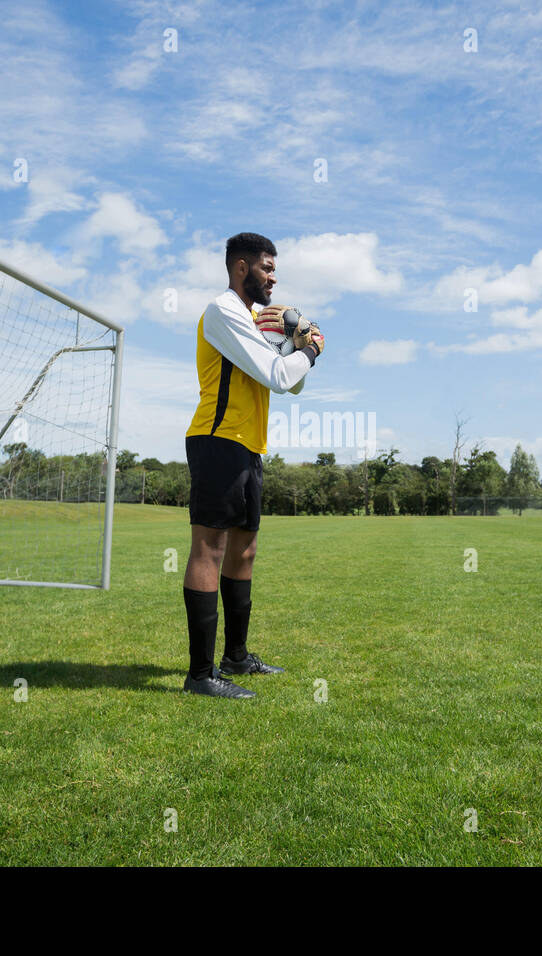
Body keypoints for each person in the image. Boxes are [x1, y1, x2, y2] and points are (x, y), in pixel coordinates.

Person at [181, 232, 325, 699]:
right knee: (210, 549)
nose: (273, 277)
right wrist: (310, 348)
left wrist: (295, 343)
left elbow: (291, 383)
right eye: (266, 267)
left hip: (248, 447)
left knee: (244, 551)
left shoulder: (251, 321)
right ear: (241, 268)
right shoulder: (223, 311)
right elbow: (283, 377)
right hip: (216, 439)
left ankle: (235, 657)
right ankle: (201, 675)